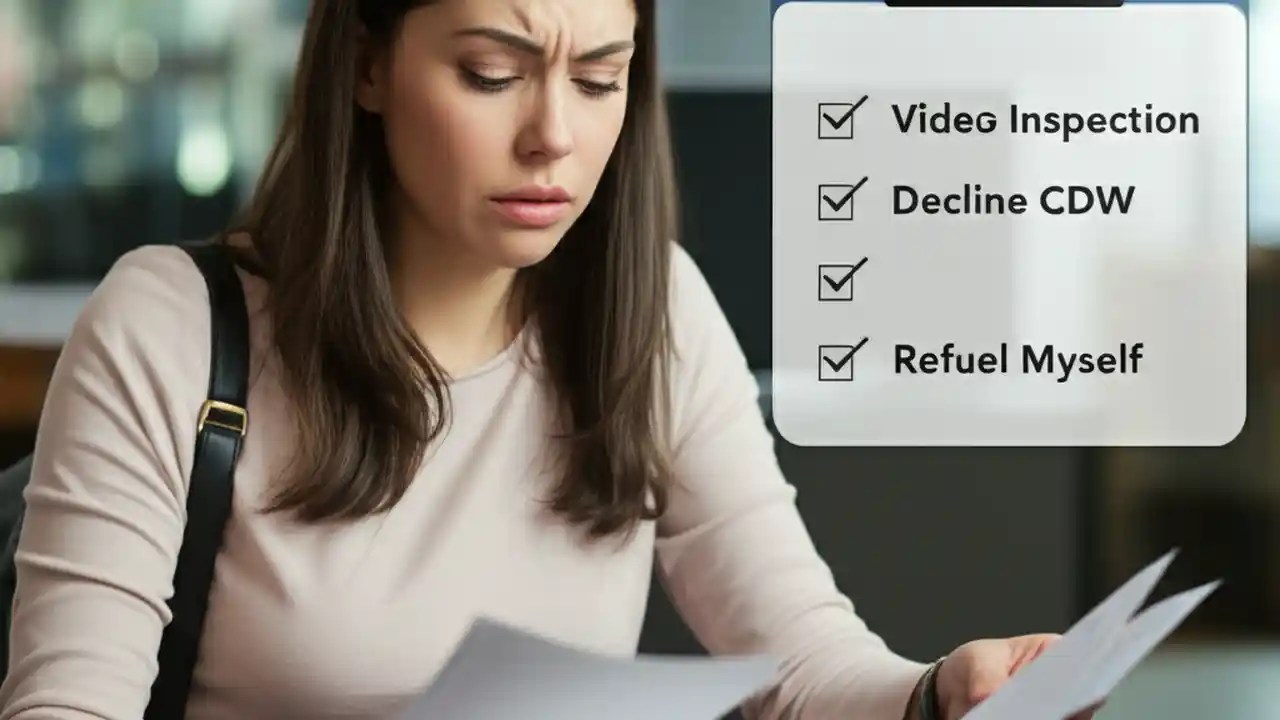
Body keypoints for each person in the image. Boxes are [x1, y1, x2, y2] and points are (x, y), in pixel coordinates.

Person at [0, 1, 1099, 719]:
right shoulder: (170, 323)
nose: (553, 138)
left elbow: (799, 660)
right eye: (491, 73)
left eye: (599, 79)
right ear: (369, 64)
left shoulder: (648, 310)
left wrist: (935, 693)